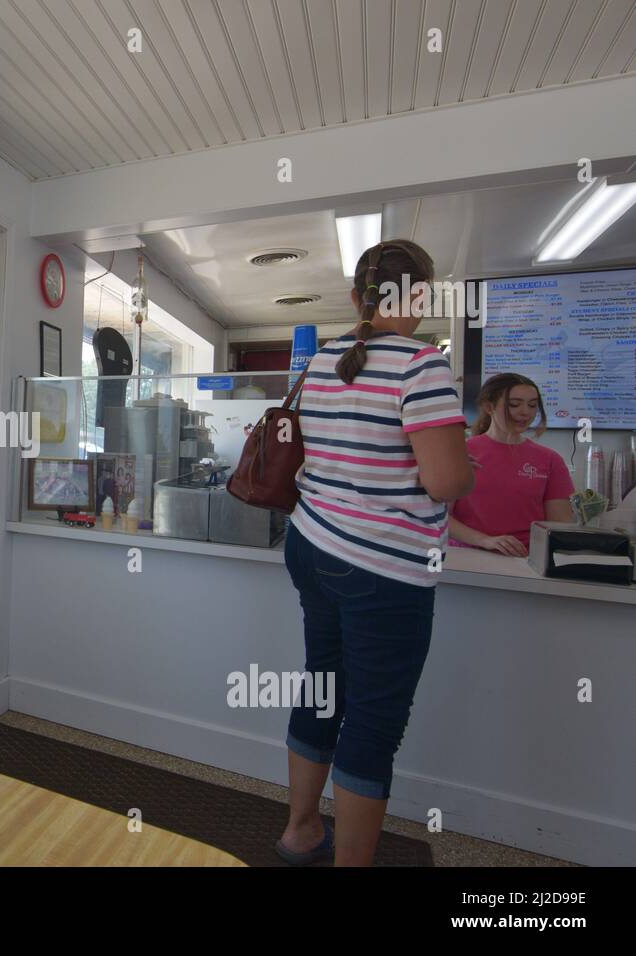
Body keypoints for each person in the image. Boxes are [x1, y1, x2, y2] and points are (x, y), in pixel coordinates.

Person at [277, 240, 473, 866]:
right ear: (418, 295)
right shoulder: (421, 365)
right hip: (383, 569)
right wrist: (467, 468)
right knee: (371, 719)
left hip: (312, 547)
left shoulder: (325, 360)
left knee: (322, 688)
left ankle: (300, 831)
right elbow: (445, 482)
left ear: (357, 297)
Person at [448, 373, 573, 556]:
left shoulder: (550, 460)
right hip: (466, 558)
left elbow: (560, 525)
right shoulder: (460, 453)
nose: (525, 412)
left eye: (532, 405)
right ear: (488, 406)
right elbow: (439, 517)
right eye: (514, 404)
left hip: (524, 560)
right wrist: (485, 540)